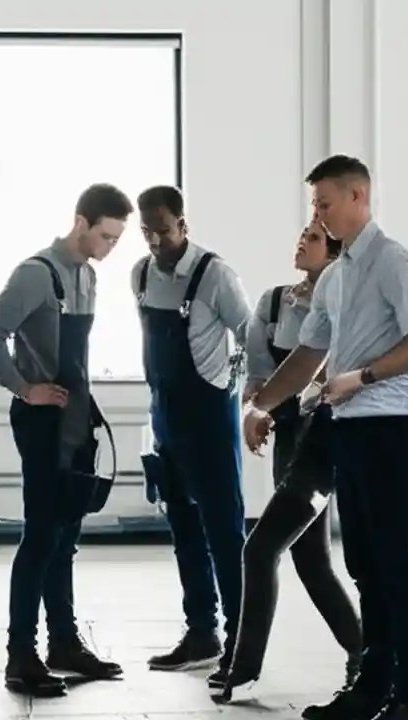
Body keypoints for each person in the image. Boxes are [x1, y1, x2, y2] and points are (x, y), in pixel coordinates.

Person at [242, 154, 408, 720]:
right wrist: (263, 404)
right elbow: (309, 352)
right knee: (362, 565)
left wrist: (364, 375)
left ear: (358, 197)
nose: (319, 215)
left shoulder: (392, 262)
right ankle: (371, 687)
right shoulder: (336, 274)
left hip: (384, 428)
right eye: (314, 205)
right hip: (346, 428)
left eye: (325, 203)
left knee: (392, 562)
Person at [0, 183, 135, 697]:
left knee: (66, 537)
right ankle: (21, 654)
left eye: (116, 240)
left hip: (75, 420)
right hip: (41, 422)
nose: (110, 248)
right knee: (41, 535)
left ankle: (63, 643)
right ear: (81, 222)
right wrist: (24, 388)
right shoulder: (35, 274)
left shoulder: (87, 276)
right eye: (106, 236)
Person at [210, 220, 363, 700]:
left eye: (314, 236)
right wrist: (258, 400)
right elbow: (259, 370)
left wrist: (289, 399)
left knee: (259, 549)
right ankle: (364, 653)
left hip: (325, 443)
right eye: (302, 233)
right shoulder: (274, 302)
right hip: (289, 440)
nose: (302, 240)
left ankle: (243, 666)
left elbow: (329, 375)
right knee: (311, 559)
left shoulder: (345, 304)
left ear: (335, 251)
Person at [133, 185, 254, 676]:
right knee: (184, 528)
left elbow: (250, 334)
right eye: (146, 231)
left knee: (224, 532)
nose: (155, 241)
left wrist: (247, 393)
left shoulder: (215, 275)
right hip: (165, 416)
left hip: (209, 417)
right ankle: (201, 632)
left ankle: (243, 639)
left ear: (183, 223)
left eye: (162, 229)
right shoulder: (140, 274)